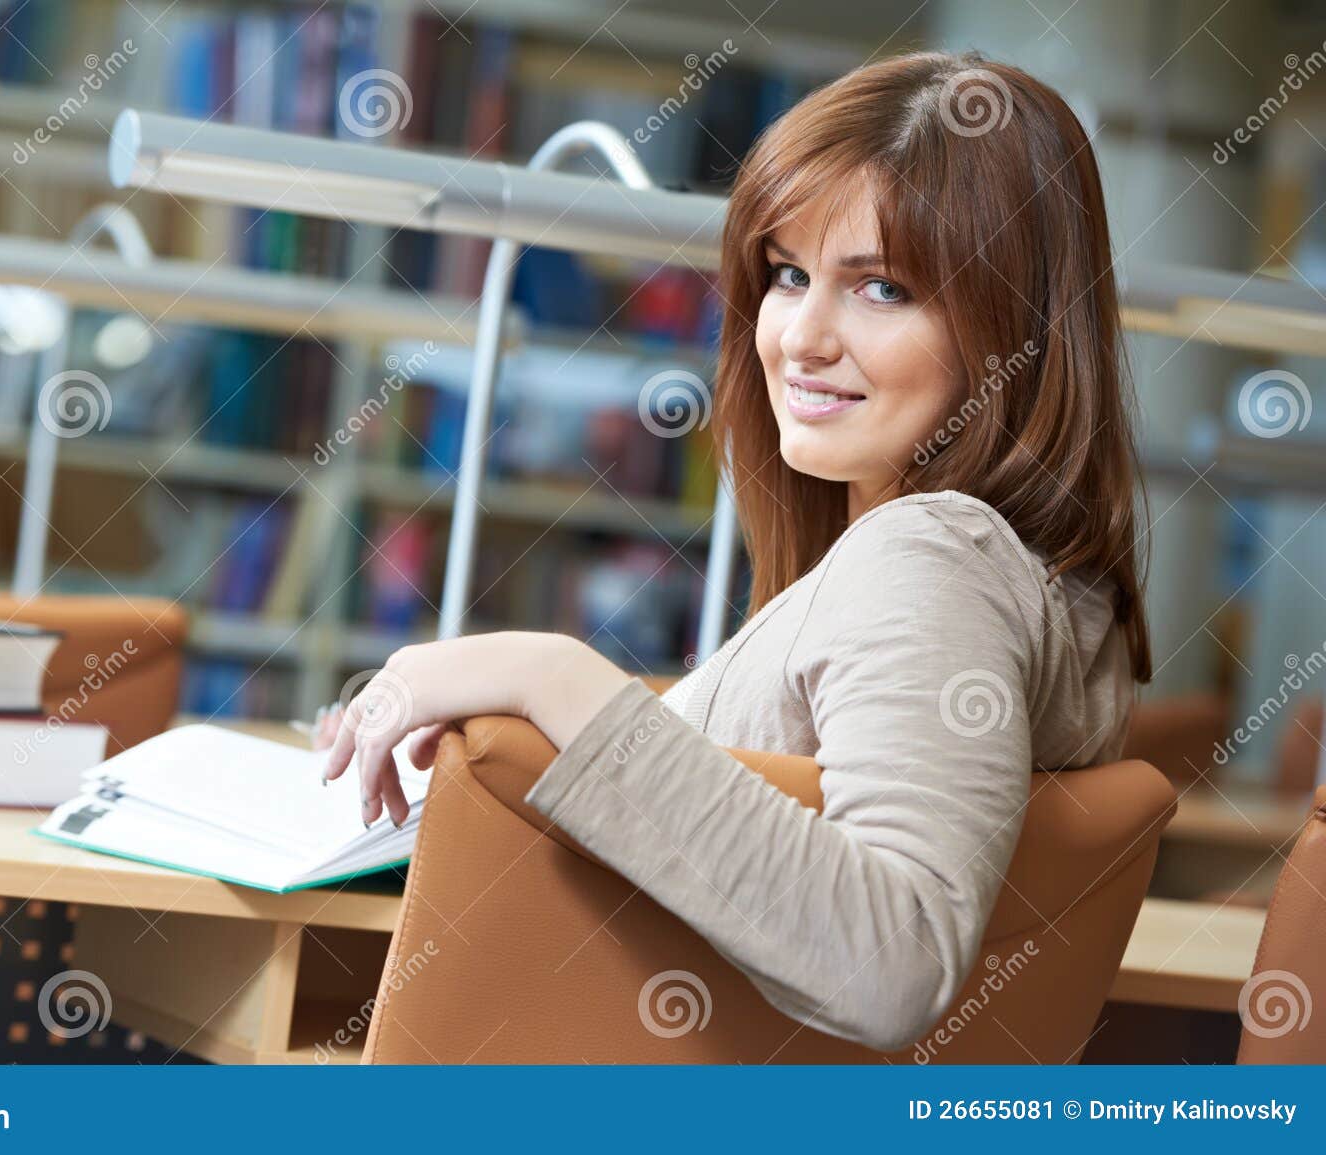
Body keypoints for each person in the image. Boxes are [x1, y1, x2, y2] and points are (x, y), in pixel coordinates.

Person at [315, 49, 1151, 1052]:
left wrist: (542, 672)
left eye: (879, 288)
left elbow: (894, 961)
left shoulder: (932, 561)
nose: (799, 335)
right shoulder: (1013, 582)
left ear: (1012, 328)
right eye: (788, 275)